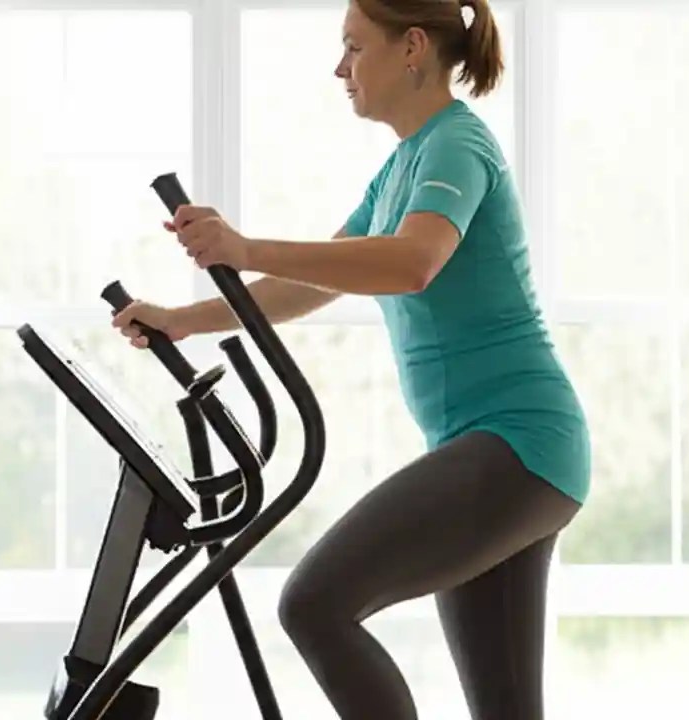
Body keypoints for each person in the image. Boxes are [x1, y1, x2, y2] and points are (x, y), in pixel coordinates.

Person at [112, 1, 590, 717]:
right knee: (506, 708)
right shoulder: (403, 166)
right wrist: (184, 321)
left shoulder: (458, 144)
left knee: (314, 603)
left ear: (412, 49)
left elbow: (414, 262)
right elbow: (316, 278)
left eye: (353, 47)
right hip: (505, 453)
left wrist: (241, 247)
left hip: (519, 444)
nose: (340, 68)